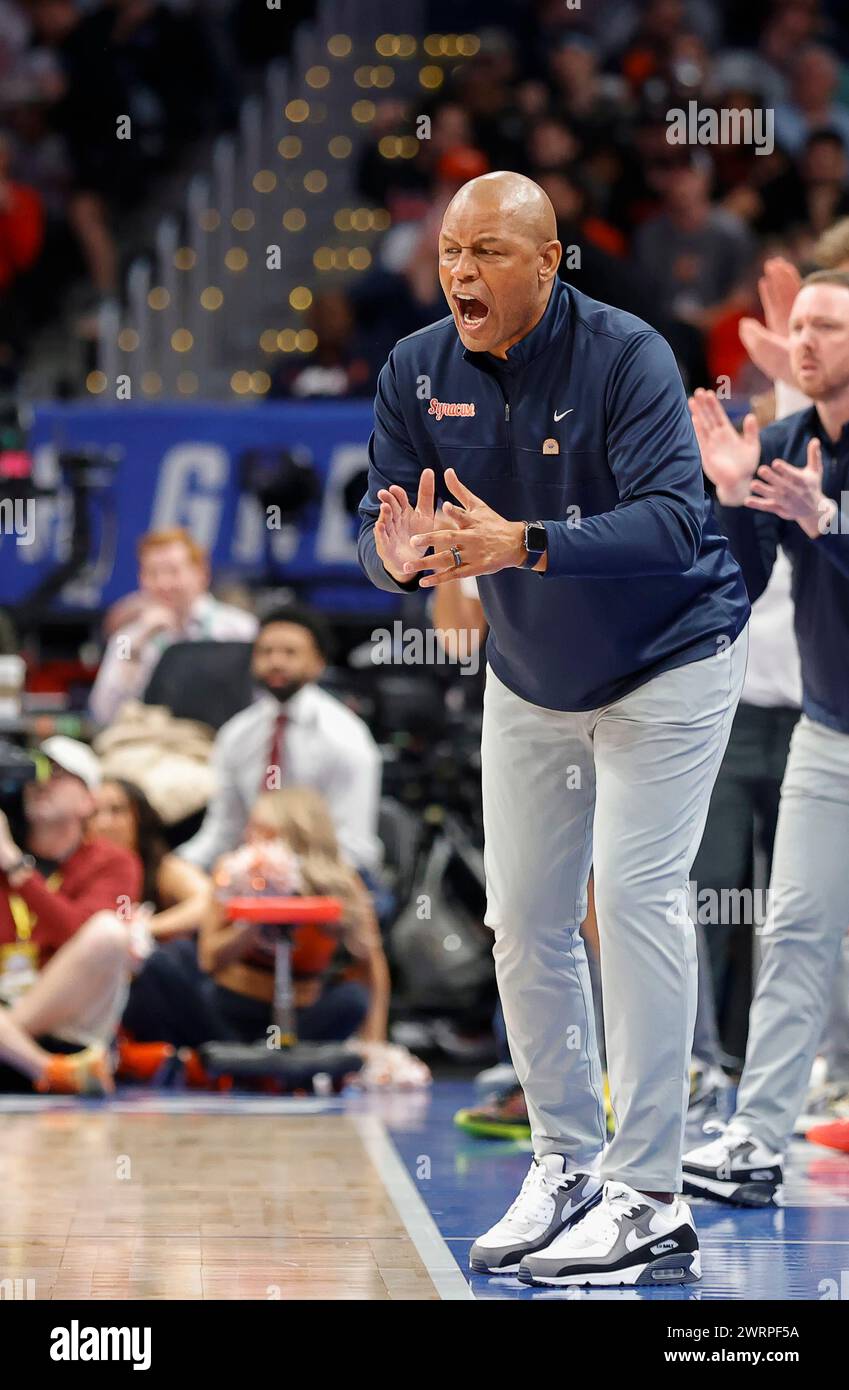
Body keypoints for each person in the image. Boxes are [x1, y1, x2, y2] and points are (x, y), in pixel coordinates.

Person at [358, 170, 750, 1287]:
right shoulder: (414, 370)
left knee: (630, 902)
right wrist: (388, 560)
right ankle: (568, 1158)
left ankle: (652, 1192)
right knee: (524, 924)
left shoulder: (628, 355)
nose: (461, 273)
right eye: (448, 252)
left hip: (668, 658)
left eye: (487, 252)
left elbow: (677, 521)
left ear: (548, 260)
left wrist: (523, 544)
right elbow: (385, 524)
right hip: (533, 677)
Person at [682, 270, 849, 1205]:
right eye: (801, 327)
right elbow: (738, 587)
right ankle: (754, 1137)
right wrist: (733, 497)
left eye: (825, 325)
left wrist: (822, 517)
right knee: (791, 933)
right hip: (827, 731)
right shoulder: (783, 441)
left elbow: (829, 532)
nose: (805, 340)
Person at [124, 787, 389, 1051]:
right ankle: (233, 1061)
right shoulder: (232, 872)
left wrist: (375, 1046)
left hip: (302, 1014)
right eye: (252, 830)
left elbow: (371, 967)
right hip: (229, 1008)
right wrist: (254, 916)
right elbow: (209, 960)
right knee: (166, 964)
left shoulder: (343, 884)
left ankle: (267, 1064)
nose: (251, 839)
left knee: (353, 999)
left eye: (265, 833)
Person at [177, 606, 382, 878]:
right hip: (252, 875)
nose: (276, 662)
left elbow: (355, 846)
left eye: (290, 653)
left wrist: (286, 876)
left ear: (318, 662)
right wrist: (180, 863)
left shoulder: (346, 737)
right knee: (178, 873)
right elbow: (223, 831)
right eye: (266, 652)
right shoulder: (236, 734)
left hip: (333, 876)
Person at [0, 736, 142, 1092]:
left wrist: (16, 868)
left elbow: (73, 932)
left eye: (59, 773)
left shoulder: (113, 861)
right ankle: (49, 1070)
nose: (42, 781)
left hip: (68, 1020)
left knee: (109, 933)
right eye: (36, 770)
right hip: (7, 1001)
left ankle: (13, 1045)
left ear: (88, 800)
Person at [88, 527, 258, 727]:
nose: (163, 583)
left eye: (173, 571)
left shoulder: (240, 628)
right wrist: (138, 644)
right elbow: (104, 714)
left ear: (201, 573)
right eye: (152, 573)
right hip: (154, 745)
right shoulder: (129, 638)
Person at [91, 778, 211, 941]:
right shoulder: (76, 870)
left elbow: (209, 902)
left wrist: (143, 928)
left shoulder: (163, 868)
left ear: (140, 818)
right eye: (93, 813)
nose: (103, 823)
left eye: (116, 810)